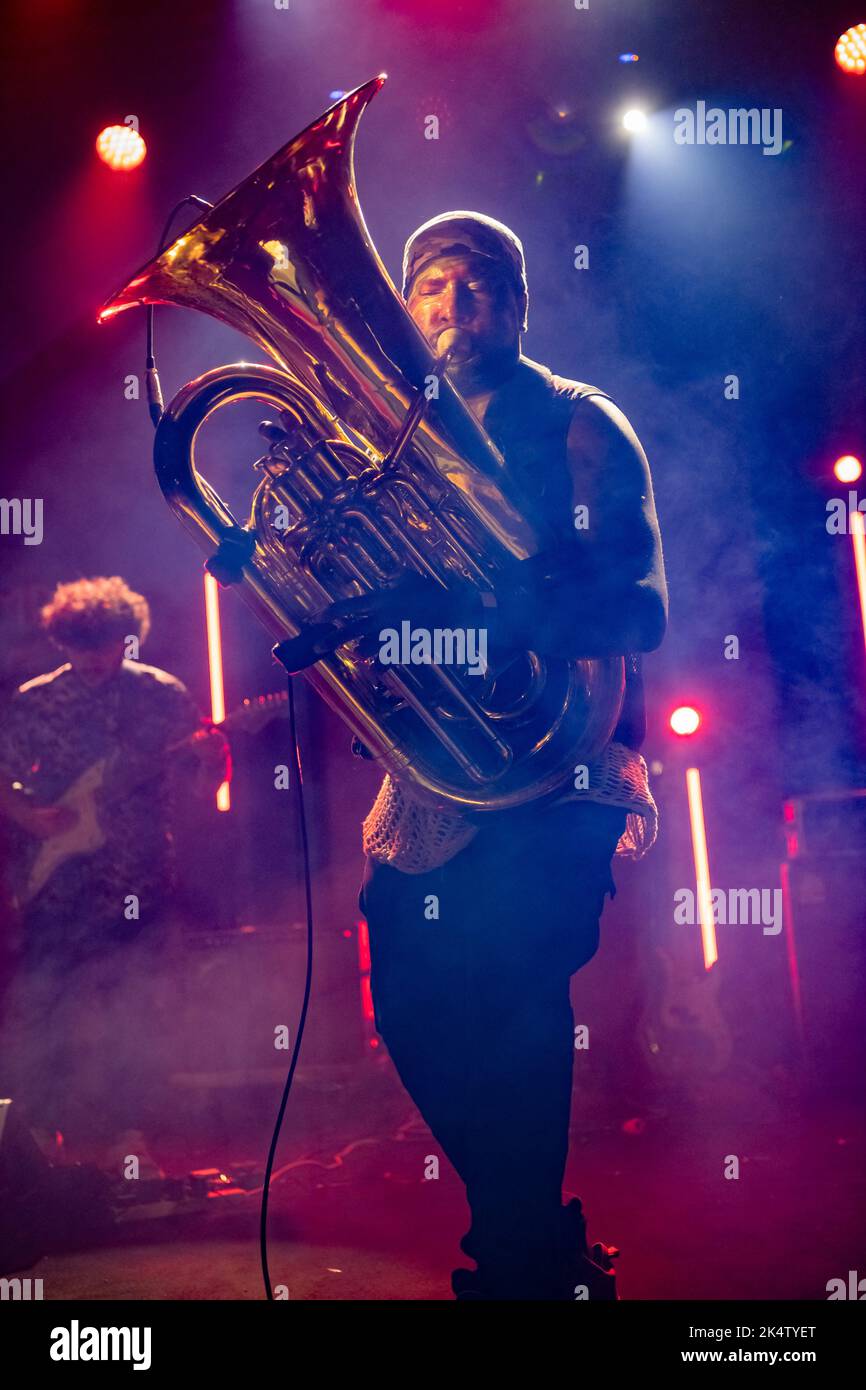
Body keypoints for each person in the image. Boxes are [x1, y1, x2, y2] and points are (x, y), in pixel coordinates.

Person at [286, 213, 668, 1299]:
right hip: (435, 772)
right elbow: (374, 599)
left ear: (520, 302)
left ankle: (517, 1261)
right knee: (408, 1004)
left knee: (513, 998)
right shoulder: (388, 437)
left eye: (480, 285)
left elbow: (634, 610)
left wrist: (464, 603)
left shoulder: (581, 427)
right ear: (407, 310)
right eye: (433, 288)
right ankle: (532, 1240)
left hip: (559, 760)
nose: (455, 305)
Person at [0, 576, 228, 1165]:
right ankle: (40, 1137)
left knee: (138, 1006)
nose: (96, 659)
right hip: (56, 884)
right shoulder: (36, 699)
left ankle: (132, 1134)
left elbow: (203, 789)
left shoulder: (162, 694)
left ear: (128, 639)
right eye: (83, 646)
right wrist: (28, 815)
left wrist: (215, 764)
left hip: (139, 874)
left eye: (108, 644)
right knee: (48, 1004)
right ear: (62, 641)